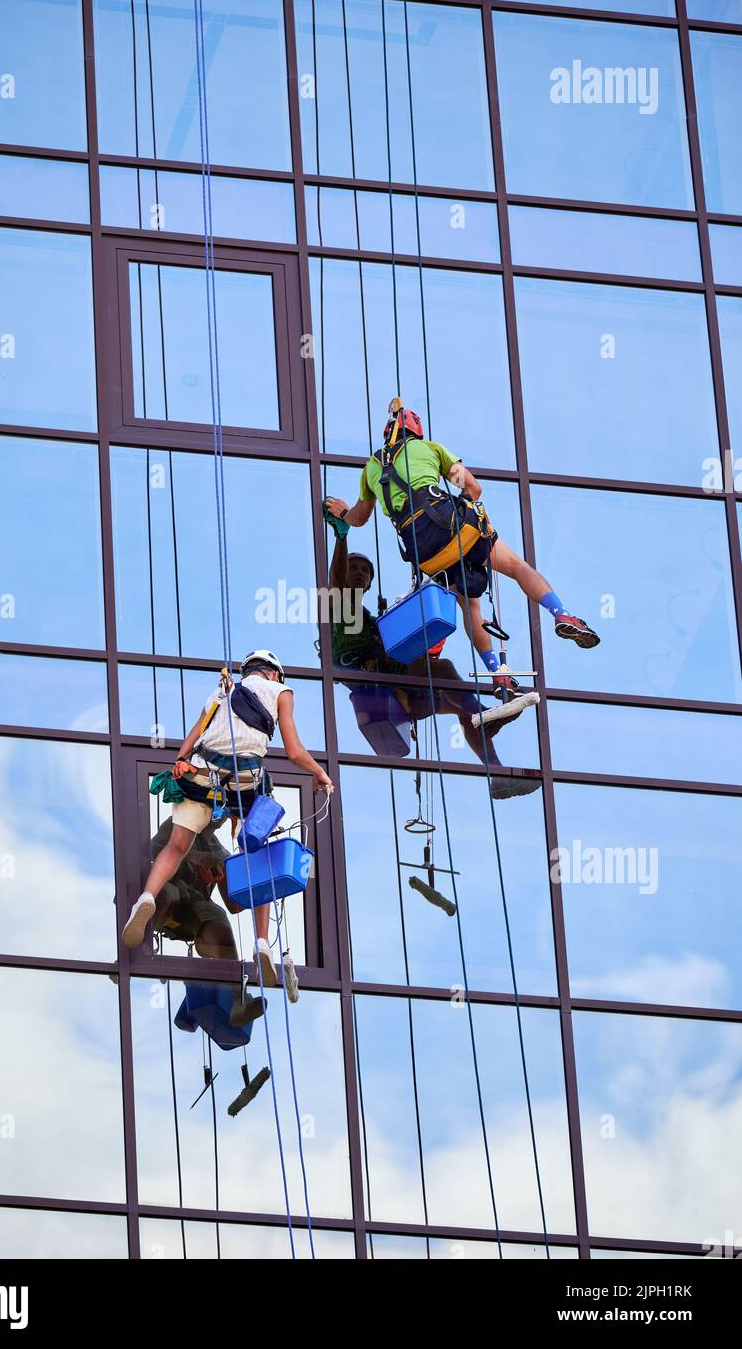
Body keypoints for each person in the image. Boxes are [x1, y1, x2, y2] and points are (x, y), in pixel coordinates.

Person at [324, 397, 599, 704]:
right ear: (416, 431)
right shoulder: (429, 449)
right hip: (454, 530)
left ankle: (497, 673)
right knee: (516, 566)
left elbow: (360, 517)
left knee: (470, 607)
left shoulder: (372, 469)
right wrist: (461, 503)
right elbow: (473, 488)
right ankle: (562, 614)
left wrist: (343, 512)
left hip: (426, 554)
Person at [122, 650, 333, 990]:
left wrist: (180, 760)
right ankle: (262, 942)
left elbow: (190, 741)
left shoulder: (221, 692)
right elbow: (293, 751)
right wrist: (320, 773)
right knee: (256, 859)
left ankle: (146, 897)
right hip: (245, 780)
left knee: (177, 845)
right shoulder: (281, 693)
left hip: (202, 775)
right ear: (274, 675)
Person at [326, 534, 539, 800]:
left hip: (398, 695)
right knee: (444, 670)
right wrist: (342, 535)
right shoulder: (336, 607)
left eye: (365, 571)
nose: (358, 573)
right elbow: (335, 582)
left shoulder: (371, 621)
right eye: (353, 568)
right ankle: (483, 716)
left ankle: (496, 772)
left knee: (463, 709)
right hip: (380, 685)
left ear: (370, 584)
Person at [148, 817, 267, 1027]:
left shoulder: (217, 850)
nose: (219, 818)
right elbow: (151, 851)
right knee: (167, 893)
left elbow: (234, 906)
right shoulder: (178, 824)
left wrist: (239, 871)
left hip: (193, 905)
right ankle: (135, 953)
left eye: (223, 815)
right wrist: (193, 857)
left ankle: (237, 1003)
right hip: (168, 893)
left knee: (219, 923)